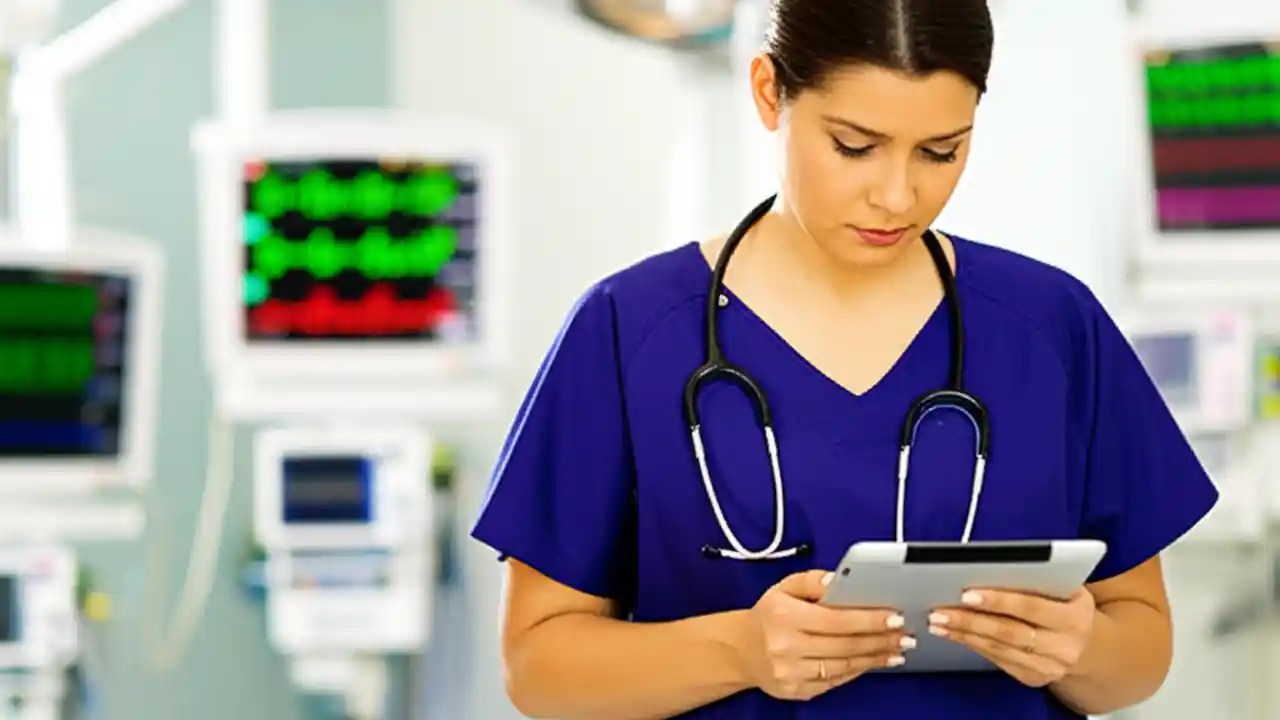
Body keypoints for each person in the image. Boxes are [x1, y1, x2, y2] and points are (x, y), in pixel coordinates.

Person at [470, 0, 1219, 718]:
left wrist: (1079, 648)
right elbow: (537, 669)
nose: (897, 196)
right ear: (769, 92)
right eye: (854, 146)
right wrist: (740, 650)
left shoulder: (1052, 326)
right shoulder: (628, 330)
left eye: (940, 151)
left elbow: (1141, 652)